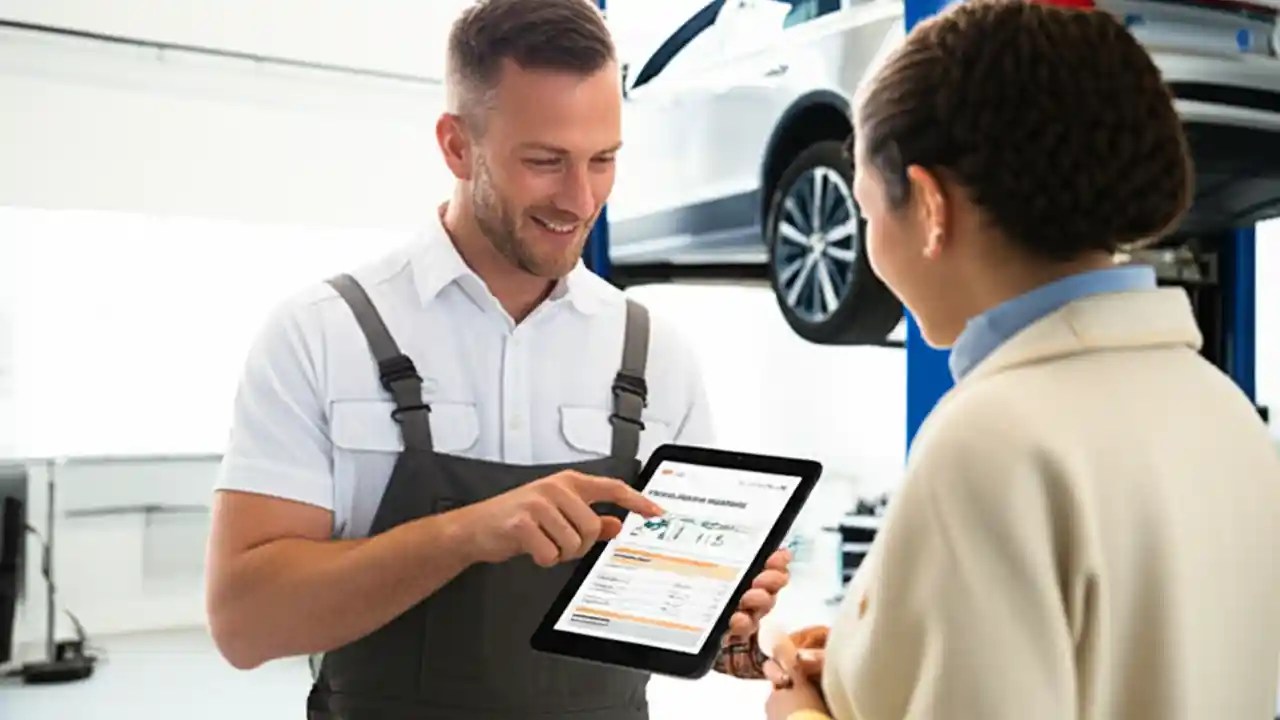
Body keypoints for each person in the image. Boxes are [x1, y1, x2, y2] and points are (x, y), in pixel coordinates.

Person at [203, 1, 791, 717]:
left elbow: (671, 613)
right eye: (545, 162)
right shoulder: (322, 335)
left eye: (603, 160)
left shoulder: (657, 354)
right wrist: (463, 534)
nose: (580, 199)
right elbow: (244, 625)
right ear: (456, 146)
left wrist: (726, 624)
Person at [761, 1, 1280, 718]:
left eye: (866, 206)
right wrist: (866, 656)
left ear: (929, 205)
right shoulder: (1224, 414)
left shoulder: (990, 443)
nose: (872, 247)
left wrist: (801, 713)